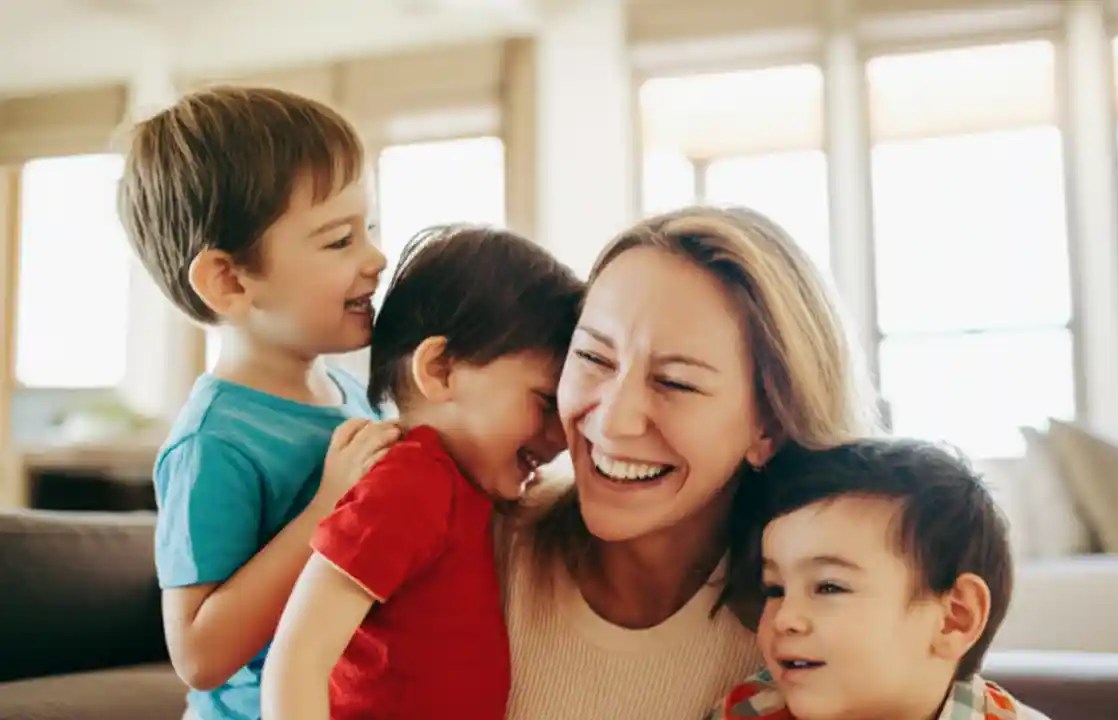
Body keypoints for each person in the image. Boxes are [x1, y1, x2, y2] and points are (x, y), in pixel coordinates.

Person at [500, 206, 880, 718]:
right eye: (593, 358)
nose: (613, 422)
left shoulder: (810, 635)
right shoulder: (475, 551)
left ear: (769, 425)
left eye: (675, 382)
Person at [118, 85, 399, 719]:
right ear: (230, 279)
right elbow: (197, 654)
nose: (376, 259)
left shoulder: (352, 392)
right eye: (338, 241)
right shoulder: (212, 442)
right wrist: (329, 510)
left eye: (369, 230)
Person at [262, 225, 583, 720]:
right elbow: (297, 659)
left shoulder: (463, 484)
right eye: (544, 403)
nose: (560, 436)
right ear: (440, 370)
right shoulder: (408, 483)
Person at [709, 440, 1049, 720]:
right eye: (775, 589)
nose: (784, 618)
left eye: (829, 587)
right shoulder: (750, 712)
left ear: (953, 618)